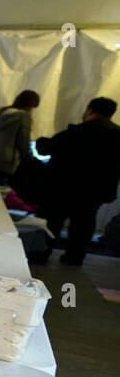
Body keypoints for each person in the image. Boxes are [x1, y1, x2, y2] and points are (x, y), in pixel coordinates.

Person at [37, 96, 120, 265]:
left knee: (52, 221)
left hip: (63, 187)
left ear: (90, 110)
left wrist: (40, 140)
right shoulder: (117, 135)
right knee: (84, 224)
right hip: (96, 191)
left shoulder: (76, 131)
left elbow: (45, 148)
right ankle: (74, 257)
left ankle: (41, 253)